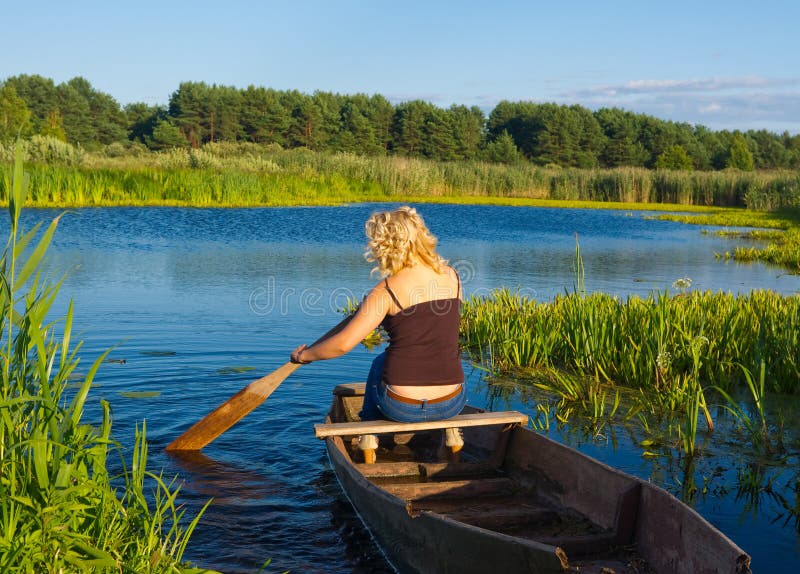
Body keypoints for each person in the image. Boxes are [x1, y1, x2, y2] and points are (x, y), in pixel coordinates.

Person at [290, 206, 466, 445]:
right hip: (452, 402)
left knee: (378, 363)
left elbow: (343, 345)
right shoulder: (453, 276)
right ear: (421, 235)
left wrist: (305, 356)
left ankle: (368, 433)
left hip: (402, 406)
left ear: (384, 246)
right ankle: (450, 435)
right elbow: (434, 326)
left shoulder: (386, 291)